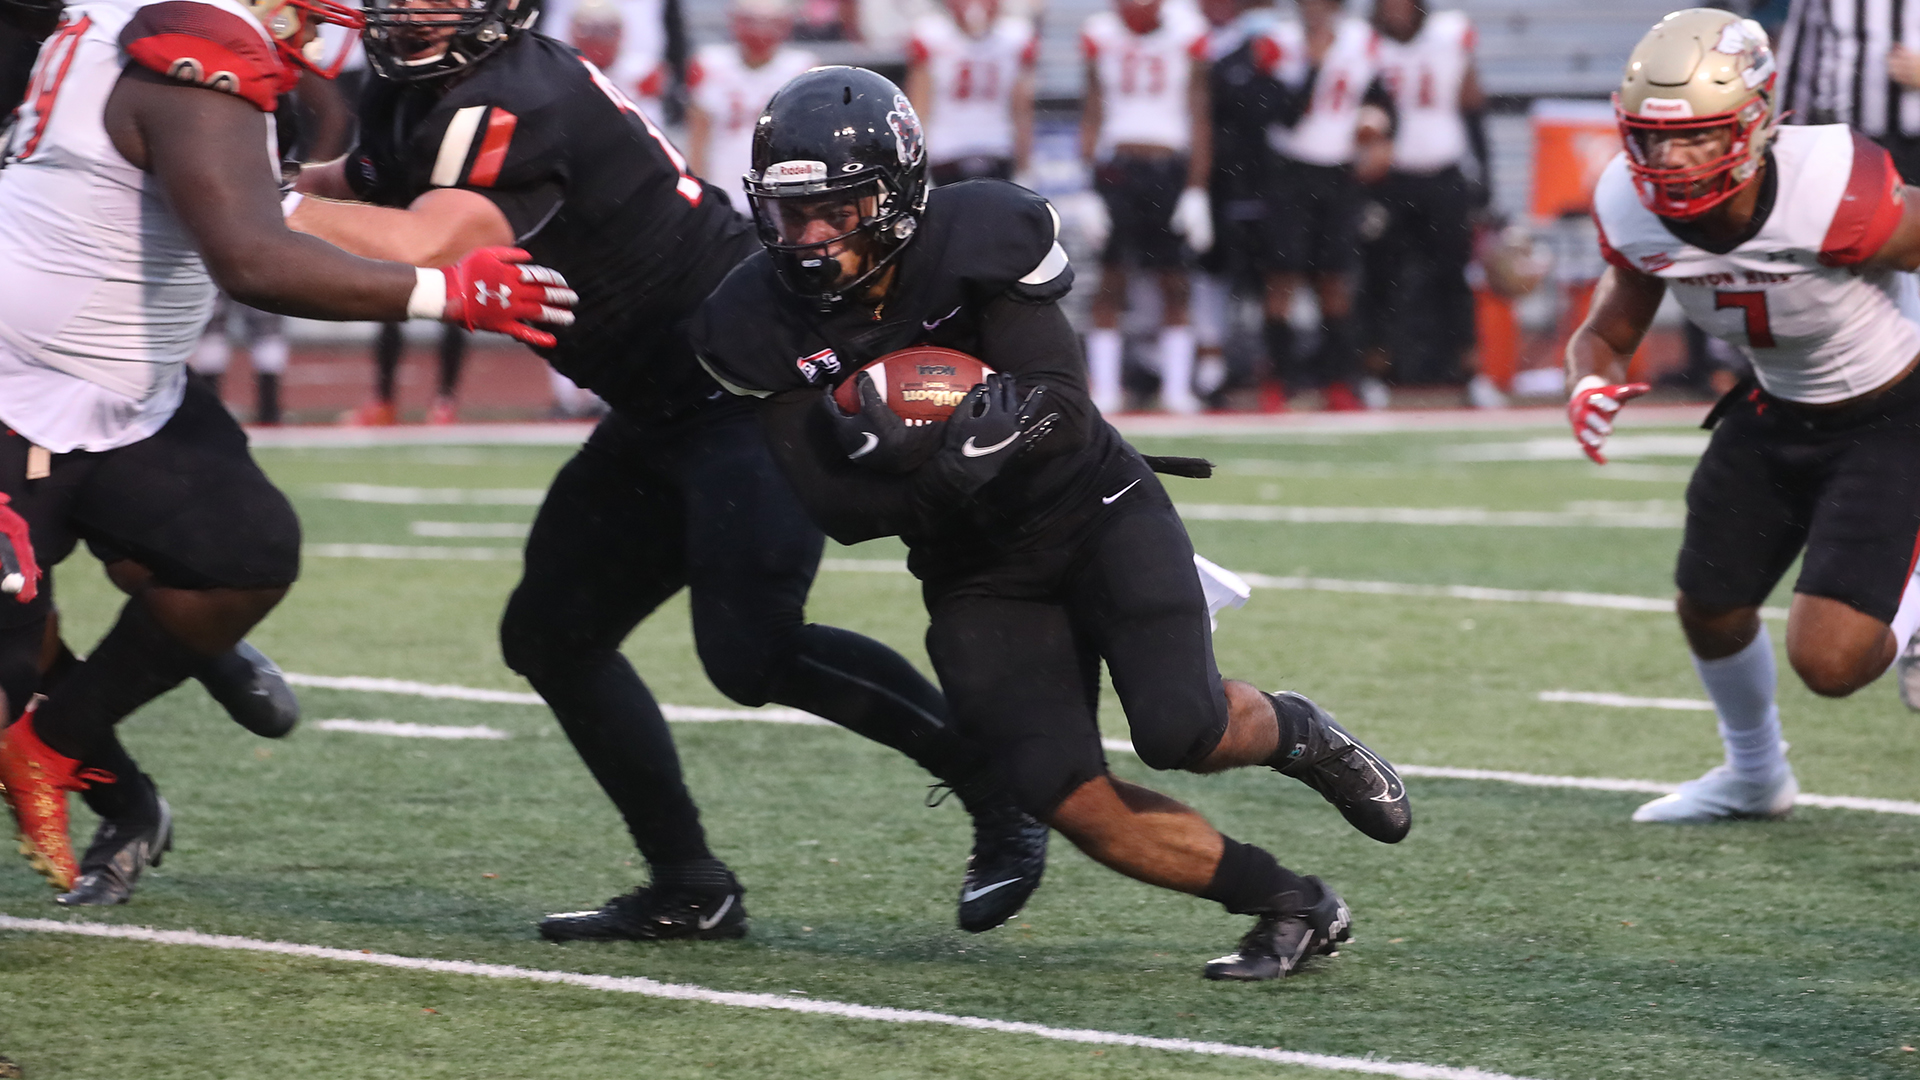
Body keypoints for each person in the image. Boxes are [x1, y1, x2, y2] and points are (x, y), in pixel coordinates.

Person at [289, 0, 1048, 940]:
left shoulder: (517, 97)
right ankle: (691, 883)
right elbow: (356, 186)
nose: (411, 8)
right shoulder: (418, 90)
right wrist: (248, 169)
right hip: (657, 403)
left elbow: (424, 245)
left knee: (751, 652)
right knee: (552, 635)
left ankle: (999, 788)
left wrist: (250, 200)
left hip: (751, 389)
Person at [692, 67, 1411, 980]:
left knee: (1179, 730)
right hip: (975, 567)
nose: (813, 235)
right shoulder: (750, 319)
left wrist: (976, 436)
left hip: (1093, 507)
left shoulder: (979, 232)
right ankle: (1291, 902)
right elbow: (840, 514)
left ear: (901, 194)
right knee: (1061, 792)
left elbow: (1064, 407)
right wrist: (955, 468)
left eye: (840, 207)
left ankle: (1301, 732)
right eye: (794, 214)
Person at [0, 0, 574, 904]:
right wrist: (441, 294)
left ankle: (60, 740)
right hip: (19, 392)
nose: (325, 20)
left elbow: (258, 195)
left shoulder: (112, 20)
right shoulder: (189, 50)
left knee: (242, 553)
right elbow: (252, 258)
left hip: (124, 390)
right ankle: (99, 772)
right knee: (9, 649)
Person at [1572, 8, 1920, 822]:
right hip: (1775, 406)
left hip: (1889, 414)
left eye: (1697, 135)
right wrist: (1587, 382)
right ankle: (1756, 774)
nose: (1673, 158)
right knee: (1711, 604)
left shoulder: (1831, 183)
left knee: (1831, 663)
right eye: (1654, 139)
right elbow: (1607, 329)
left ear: (1758, 121)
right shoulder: (1630, 202)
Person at [1080, 0, 1213, 415]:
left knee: (1174, 281)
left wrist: (1196, 188)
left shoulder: (1186, 30)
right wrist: (1087, 186)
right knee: (1111, 279)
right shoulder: (1101, 33)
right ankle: (1105, 387)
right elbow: (1093, 110)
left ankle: (1176, 388)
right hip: (1118, 168)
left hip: (1167, 167)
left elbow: (1198, 112)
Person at [1258, 0, 1390, 411]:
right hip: (1289, 172)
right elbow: (1281, 117)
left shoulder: (1362, 42)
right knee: (1283, 278)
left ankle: (1338, 380)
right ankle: (1279, 380)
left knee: (1335, 282)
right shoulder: (1277, 43)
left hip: (1339, 174)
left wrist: (1379, 129)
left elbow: (1381, 101)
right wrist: (1314, 66)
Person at [1364, 0, 1495, 407]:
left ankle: (1474, 374)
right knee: (1379, 279)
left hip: (1443, 173)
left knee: (1454, 279)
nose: (1395, 9)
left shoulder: (1449, 35)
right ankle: (1375, 376)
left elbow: (1472, 103)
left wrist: (1484, 174)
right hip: (1390, 178)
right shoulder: (1366, 45)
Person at [685, 0, 814, 210]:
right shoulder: (709, 63)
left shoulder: (801, 68)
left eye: (768, 22)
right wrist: (700, 189)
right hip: (723, 187)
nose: (759, 31)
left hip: (778, 192)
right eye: (751, 21)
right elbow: (698, 136)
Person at [904, 0, 1037, 187]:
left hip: (949, 149)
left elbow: (918, 108)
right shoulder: (1016, 36)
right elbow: (1021, 110)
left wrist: (915, 160)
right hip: (992, 146)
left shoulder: (930, 34)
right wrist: (1024, 165)